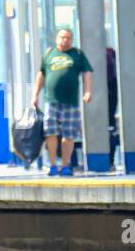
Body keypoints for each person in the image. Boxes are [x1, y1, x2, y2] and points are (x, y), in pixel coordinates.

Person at [31, 28, 94, 176]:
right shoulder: (49, 54)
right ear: (57, 38)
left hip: (71, 101)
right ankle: (53, 165)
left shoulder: (77, 54)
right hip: (51, 100)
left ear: (72, 40)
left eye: (68, 38)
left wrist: (88, 91)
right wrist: (35, 95)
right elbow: (41, 75)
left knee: (69, 134)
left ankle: (65, 165)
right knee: (50, 133)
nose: (65, 40)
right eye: (62, 37)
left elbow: (87, 72)